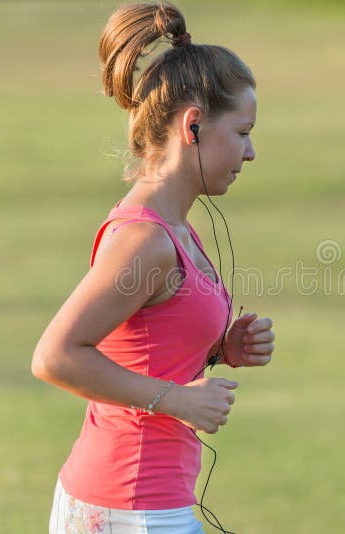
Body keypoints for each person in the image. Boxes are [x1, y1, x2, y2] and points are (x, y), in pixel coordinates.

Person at [30, 3, 275, 532]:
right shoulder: (144, 240)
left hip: (145, 501)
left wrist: (219, 351)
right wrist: (181, 400)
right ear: (193, 126)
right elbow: (54, 356)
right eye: (242, 131)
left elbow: (143, 345)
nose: (250, 152)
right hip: (128, 507)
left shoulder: (178, 230)